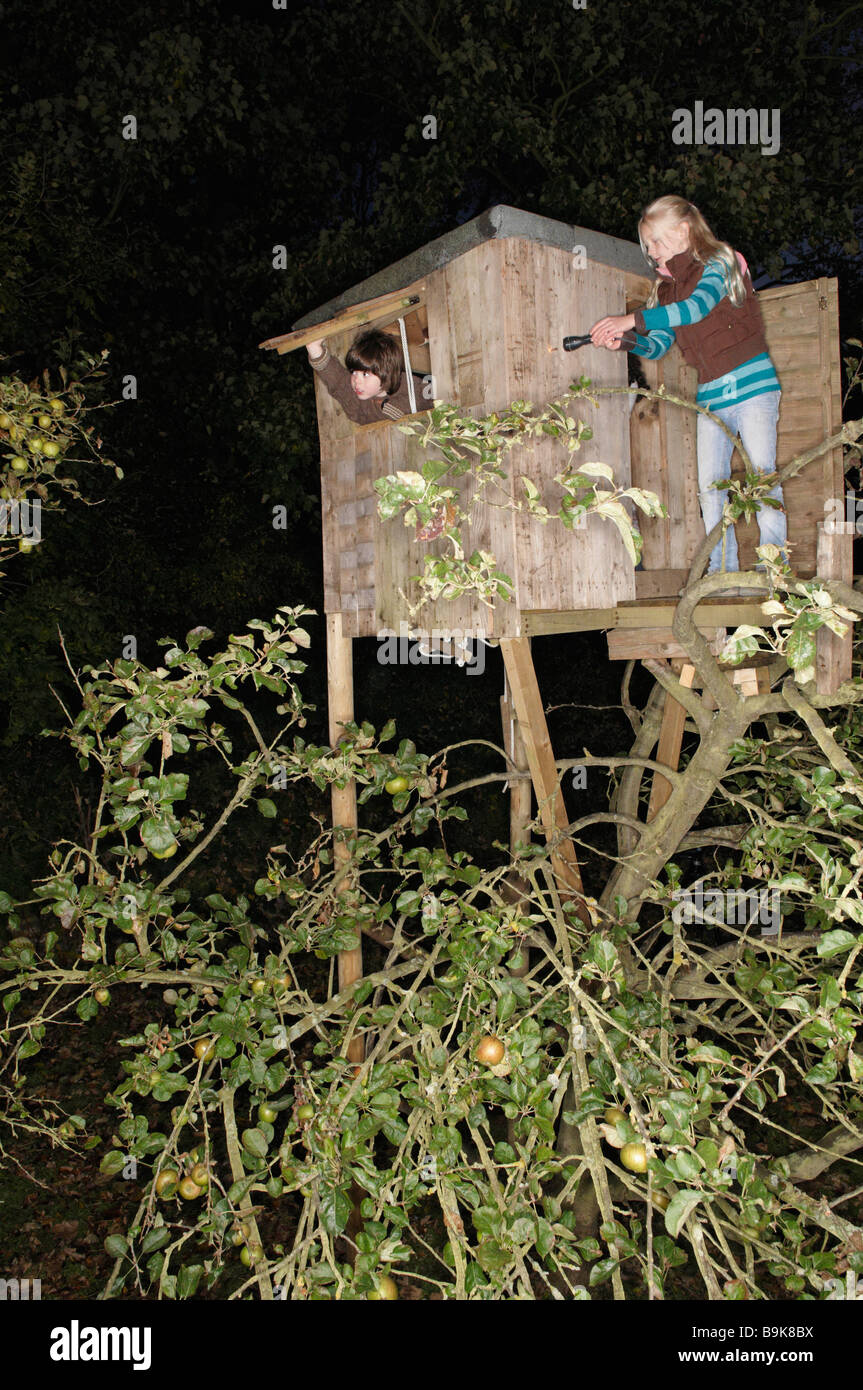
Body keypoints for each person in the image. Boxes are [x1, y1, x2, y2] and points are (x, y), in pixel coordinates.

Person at [590, 195, 786, 577]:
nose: (652, 253)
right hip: (712, 395)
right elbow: (659, 343)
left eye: (657, 243)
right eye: (647, 247)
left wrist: (630, 319)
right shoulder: (666, 290)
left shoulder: (720, 262)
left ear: (683, 231)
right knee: (711, 489)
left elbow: (697, 308)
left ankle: (774, 567)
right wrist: (626, 341)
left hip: (754, 387)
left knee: (762, 477)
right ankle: (722, 573)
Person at [306, 328, 427, 425]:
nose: (356, 381)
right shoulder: (356, 398)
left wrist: (381, 405)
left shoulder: (413, 391)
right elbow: (337, 379)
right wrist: (314, 349)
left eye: (365, 374)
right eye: (353, 372)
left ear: (387, 373)